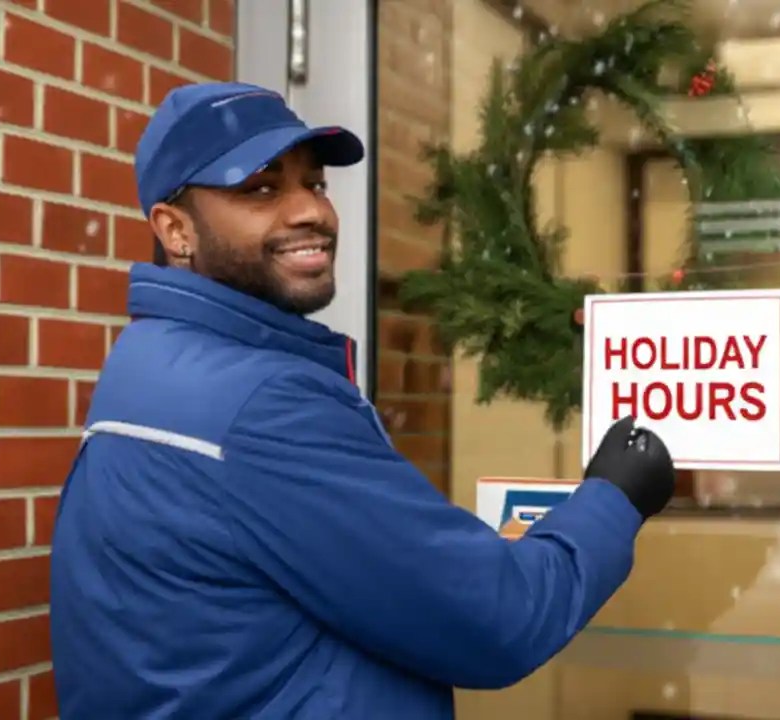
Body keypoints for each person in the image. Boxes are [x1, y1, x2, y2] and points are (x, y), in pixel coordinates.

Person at [48, 81, 678, 719]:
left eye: (314, 184)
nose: (310, 212)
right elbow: (499, 619)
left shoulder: (149, 359)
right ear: (175, 230)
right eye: (260, 189)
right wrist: (614, 496)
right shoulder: (259, 404)